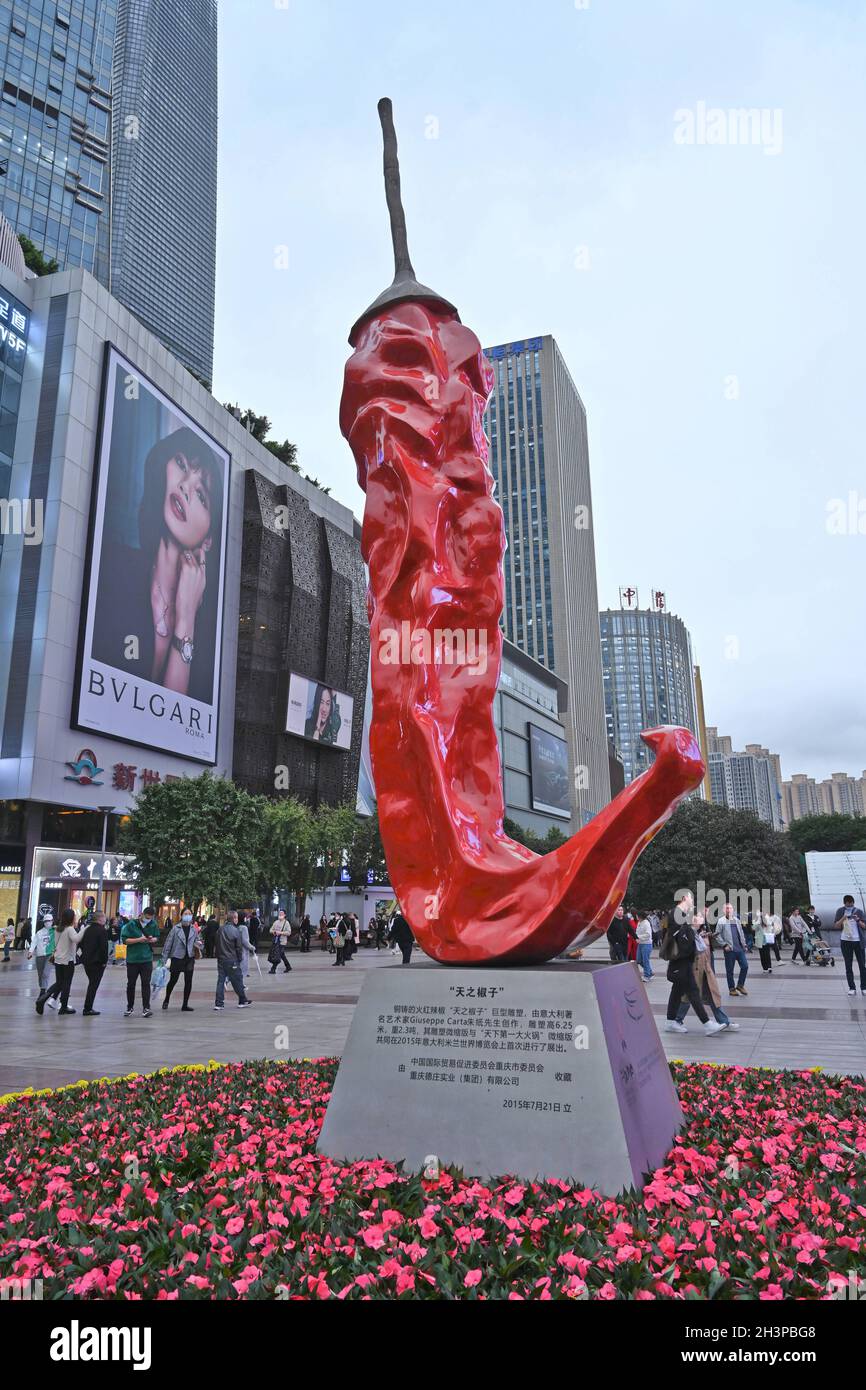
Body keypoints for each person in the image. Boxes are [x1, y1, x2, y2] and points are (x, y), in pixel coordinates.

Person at [92, 426, 225, 701]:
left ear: (209, 539)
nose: (185, 486)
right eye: (181, 464)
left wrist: (186, 620)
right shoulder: (110, 567)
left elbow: (176, 726)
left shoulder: (213, 630)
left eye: (201, 495)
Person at [662, 893, 726, 1036]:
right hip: (681, 961)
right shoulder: (676, 914)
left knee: (677, 991)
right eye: (691, 898)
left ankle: (670, 1022)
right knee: (693, 992)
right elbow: (681, 939)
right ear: (684, 898)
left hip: (681, 962)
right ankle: (707, 1024)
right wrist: (694, 928)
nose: (693, 901)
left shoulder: (680, 914)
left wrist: (694, 929)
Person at [673, 914, 739, 1033]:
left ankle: (723, 1021)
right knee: (687, 996)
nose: (702, 919)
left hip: (704, 968)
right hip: (693, 969)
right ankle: (676, 1020)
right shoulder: (686, 933)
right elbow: (691, 950)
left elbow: (704, 948)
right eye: (699, 917)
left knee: (713, 993)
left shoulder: (697, 932)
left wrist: (705, 937)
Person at [36, 908, 84, 1015]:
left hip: (58, 960)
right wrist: (83, 929)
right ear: (71, 918)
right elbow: (76, 939)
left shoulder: (58, 929)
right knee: (66, 983)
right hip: (68, 960)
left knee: (59, 982)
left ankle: (43, 999)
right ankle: (63, 1007)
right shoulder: (70, 929)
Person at [121, 905, 160, 1018]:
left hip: (146, 959)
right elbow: (125, 940)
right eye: (146, 917)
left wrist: (153, 939)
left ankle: (146, 1008)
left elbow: (157, 937)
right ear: (142, 914)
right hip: (133, 959)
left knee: (146, 984)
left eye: (150, 918)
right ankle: (130, 1007)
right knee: (131, 984)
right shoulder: (132, 924)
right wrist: (139, 940)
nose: (148, 919)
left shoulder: (153, 924)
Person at [160, 909, 201, 1011]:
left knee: (188, 981)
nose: (188, 916)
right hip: (177, 958)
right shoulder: (175, 929)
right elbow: (168, 944)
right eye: (185, 914)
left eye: (189, 914)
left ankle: (185, 1004)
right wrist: (164, 959)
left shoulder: (193, 929)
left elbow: (198, 941)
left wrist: (199, 944)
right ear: (181, 915)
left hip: (189, 958)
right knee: (173, 980)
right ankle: (166, 999)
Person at [215, 911, 252, 1009]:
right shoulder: (236, 931)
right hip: (232, 959)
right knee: (238, 980)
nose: (237, 920)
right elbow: (238, 947)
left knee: (221, 981)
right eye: (236, 918)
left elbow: (217, 944)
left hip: (221, 959)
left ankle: (219, 1003)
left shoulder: (220, 930)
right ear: (234, 918)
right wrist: (239, 959)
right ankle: (242, 1000)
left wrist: (218, 956)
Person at [834, 895, 866, 996]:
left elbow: (864, 926)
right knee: (848, 965)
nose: (850, 906)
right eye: (848, 904)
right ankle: (852, 988)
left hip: (858, 941)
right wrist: (844, 917)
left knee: (862, 965)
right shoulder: (840, 911)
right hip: (845, 941)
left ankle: (864, 987)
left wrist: (857, 920)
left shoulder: (859, 911)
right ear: (844, 903)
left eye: (851, 904)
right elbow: (836, 926)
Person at [79, 909, 109, 1015]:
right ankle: (87, 1008)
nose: (105, 919)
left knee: (92, 983)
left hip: (87, 961)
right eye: (104, 917)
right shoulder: (102, 930)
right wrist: (104, 961)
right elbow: (104, 948)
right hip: (97, 962)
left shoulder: (88, 929)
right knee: (93, 985)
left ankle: (88, 1007)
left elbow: (81, 943)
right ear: (100, 918)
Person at [716, 902, 749, 997]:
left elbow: (741, 933)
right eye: (726, 908)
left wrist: (744, 944)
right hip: (729, 950)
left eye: (730, 908)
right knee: (730, 970)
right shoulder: (721, 921)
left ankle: (740, 985)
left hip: (739, 949)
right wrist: (724, 945)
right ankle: (731, 988)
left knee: (745, 966)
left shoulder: (736, 920)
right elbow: (717, 935)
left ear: (733, 910)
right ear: (723, 910)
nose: (729, 910)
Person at [28, 914, 57, 1002]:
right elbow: (34, 942)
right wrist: (30, 952)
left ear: (52, 921)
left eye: (49, 921)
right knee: (40, 975)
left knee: (45, 973)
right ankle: (42, 988)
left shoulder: (55, 931)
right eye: (46, 921)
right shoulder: (39, 932)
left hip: (50, 955)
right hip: (40, 956)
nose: (48, 923)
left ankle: (42, 991)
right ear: (43, 922)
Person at [635, 911, 654, 981]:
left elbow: (648, 934)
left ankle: (647, 975)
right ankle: (649, 971)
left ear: (640, 916)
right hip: (640, 944)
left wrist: (638, 937)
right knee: (639, 960)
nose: (636, 917)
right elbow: (637, 932)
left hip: (647, 944)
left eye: (637, 915)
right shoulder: (639, 923)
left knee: (645, 960)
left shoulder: (646, 923)